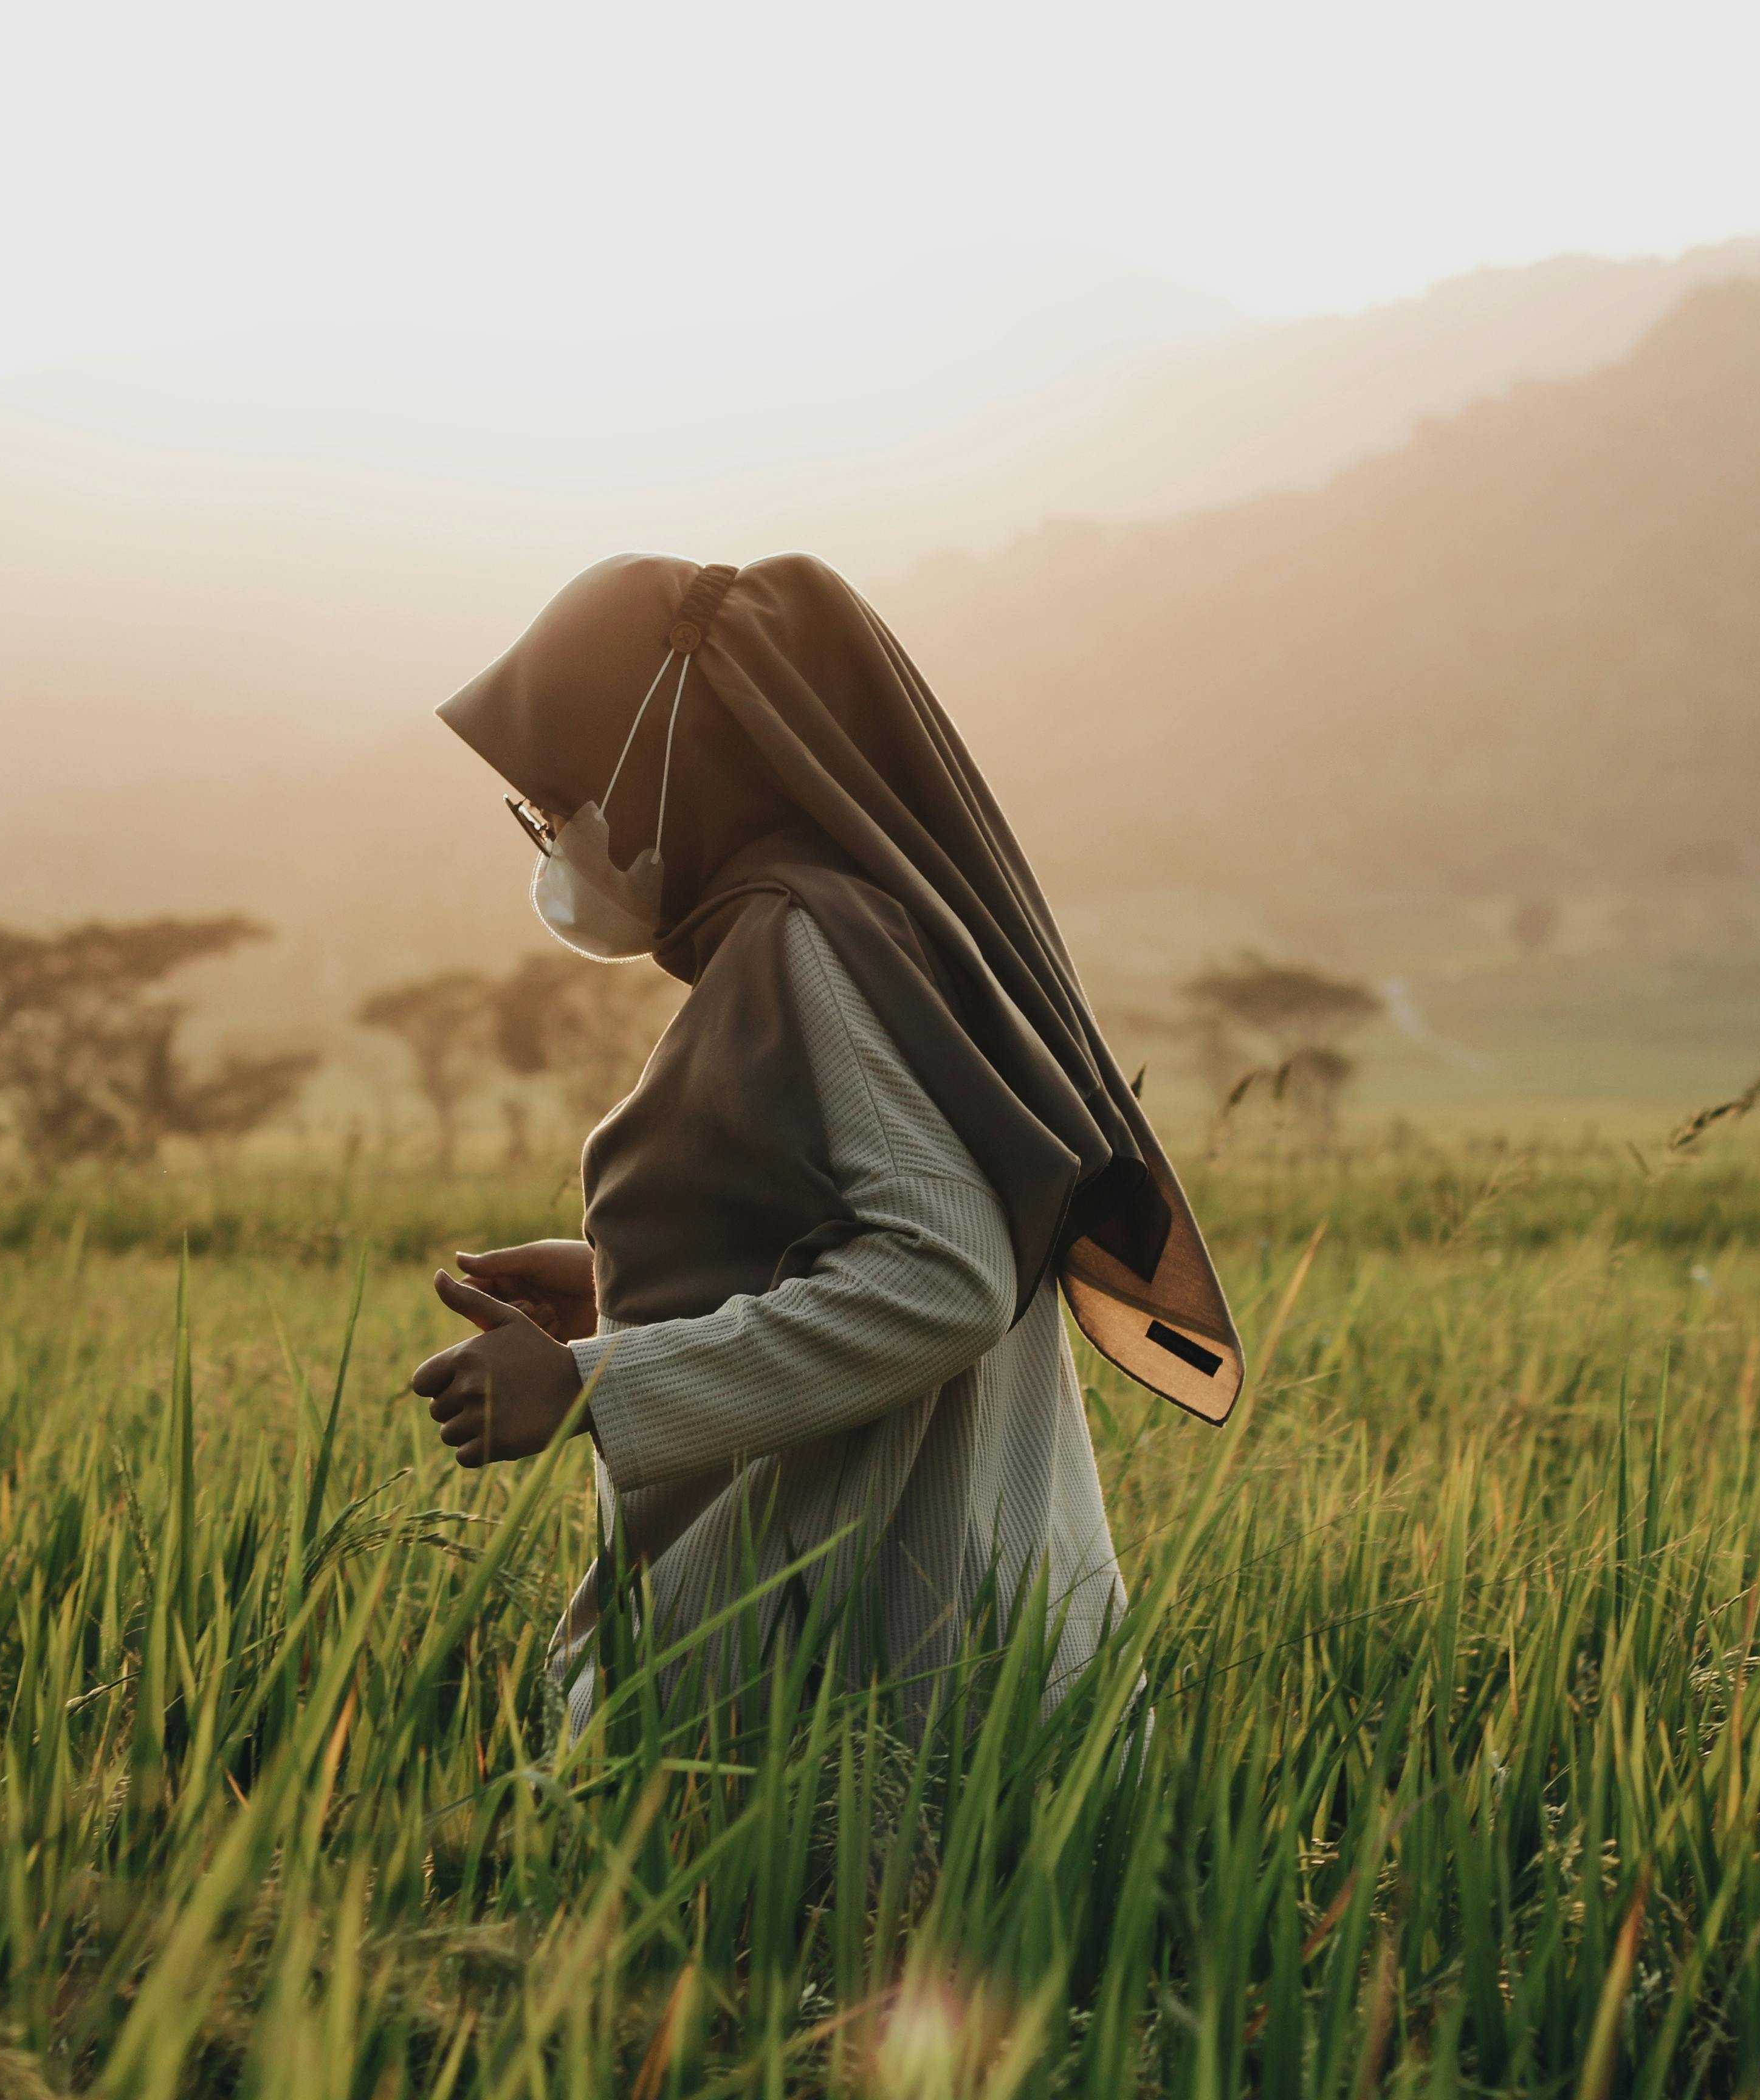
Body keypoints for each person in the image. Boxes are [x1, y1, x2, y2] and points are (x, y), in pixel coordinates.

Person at [411, 552, 1246, 1731]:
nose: (553, 840)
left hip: (865, 1697)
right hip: (944, 1651)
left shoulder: (808, 946)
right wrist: (630, 1292)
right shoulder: (877, 927)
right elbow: (883, 1226)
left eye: (558, 800)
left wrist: (596, 1385)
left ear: (665, 755)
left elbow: (945, 1275)